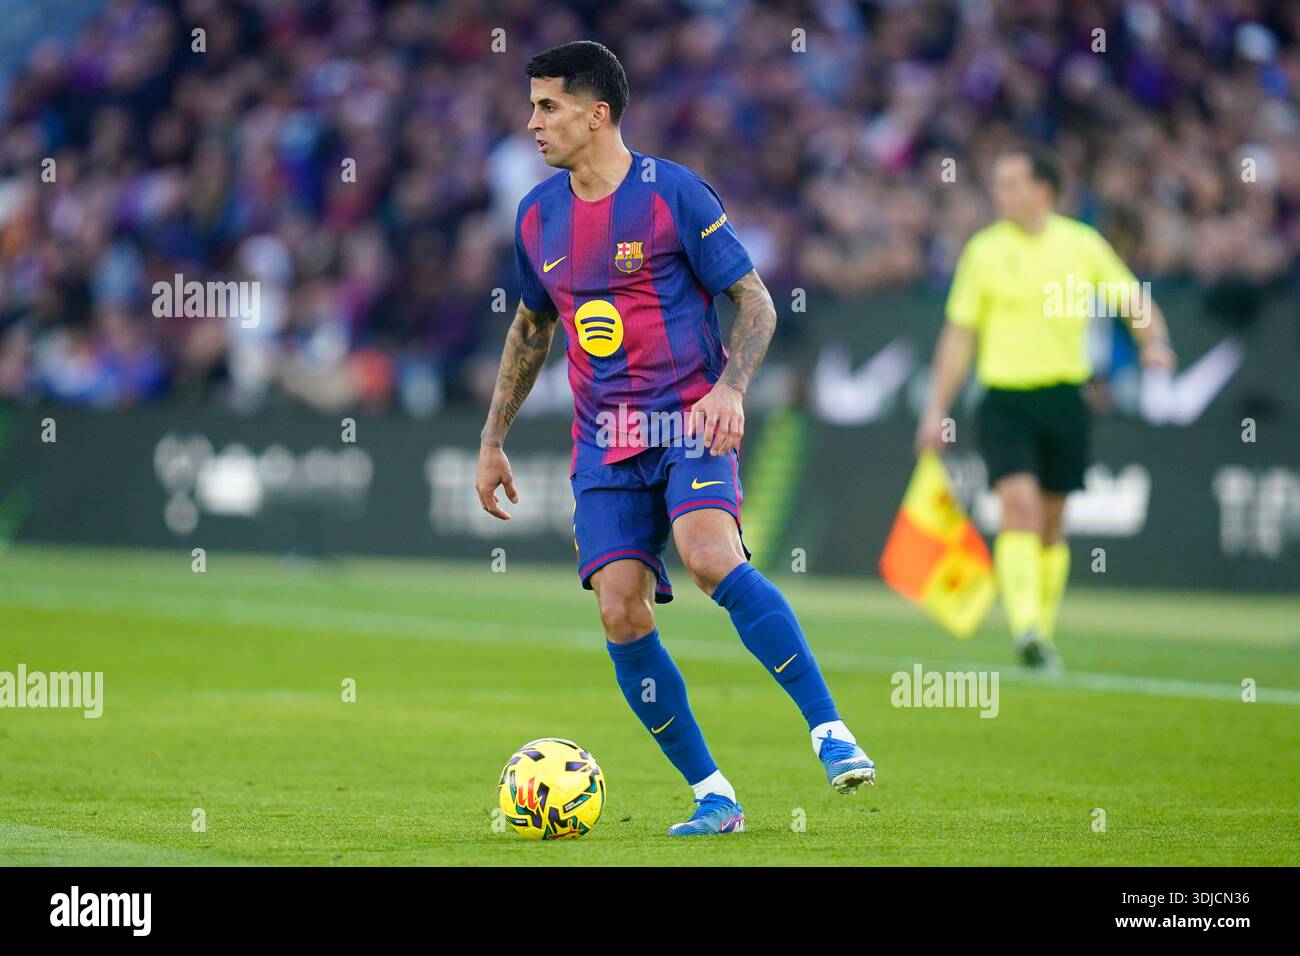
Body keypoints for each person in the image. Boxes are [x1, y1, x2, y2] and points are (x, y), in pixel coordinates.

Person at [475, 40, 874, 836]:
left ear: (598, 114)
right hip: (604, 441)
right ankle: (713, 795)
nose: (532, 123)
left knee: (708, 557)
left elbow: (755, 303)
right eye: (532, 106)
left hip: (689, 418)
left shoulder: (672, 195)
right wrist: (493, 440)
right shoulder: (535, 216)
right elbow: (530, 329)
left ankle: (831, 732)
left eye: (547, 106)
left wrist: (731, 390)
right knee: (621, 611)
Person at [915, 145, 1177, 670]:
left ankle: (1042, 632)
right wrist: (936, 407)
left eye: (1011, 183)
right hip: (1004, 399)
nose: (1000, 193)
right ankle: (1027, 629)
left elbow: (1132, 299)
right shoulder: (984, 251)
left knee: (1053, 524)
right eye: (997, 184)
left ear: (1043, 191)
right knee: (1020, 508)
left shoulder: (1081, 245)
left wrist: (1154, 342)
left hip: (1065, 399)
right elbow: (959, 335)